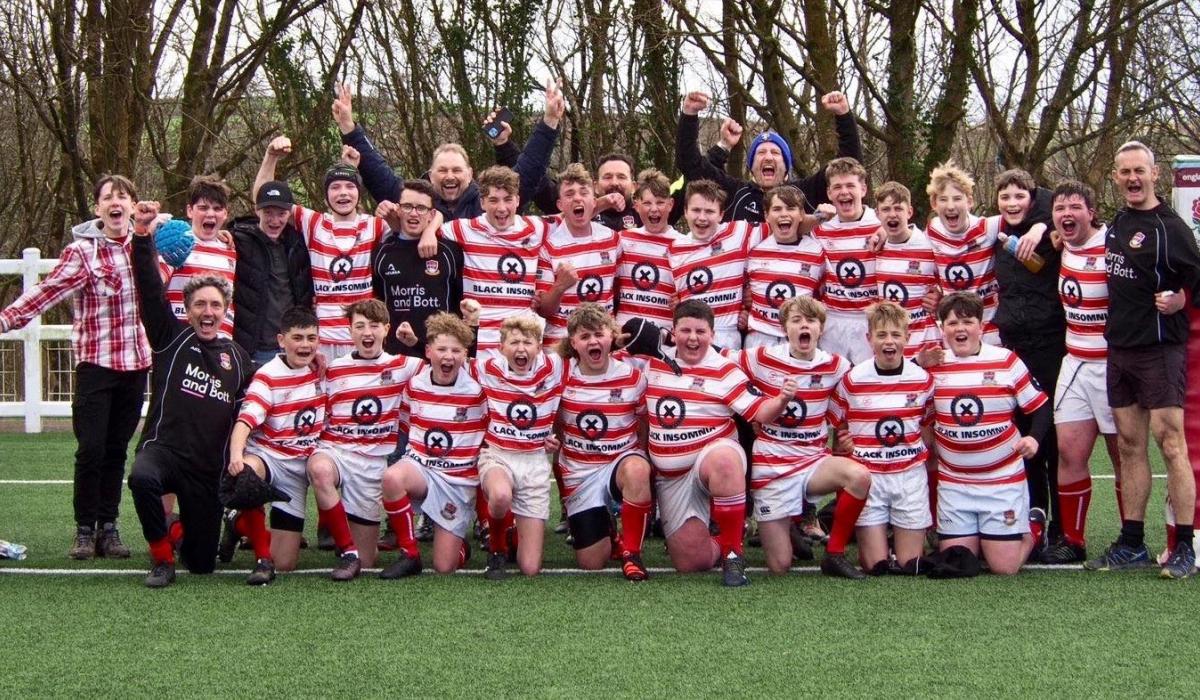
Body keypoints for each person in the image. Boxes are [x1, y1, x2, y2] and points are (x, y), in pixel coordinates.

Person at [0, 175, 151, 560]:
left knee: (118, 449)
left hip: (136, 366)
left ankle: (110, 529)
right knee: (91, 449)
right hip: (95, 365)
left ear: (133, 205)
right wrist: (6, 320)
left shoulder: (148, 247)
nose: (116, 203)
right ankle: (84, 530)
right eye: (107, 198)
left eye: (123, 196)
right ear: (97, 209)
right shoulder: (82, 253)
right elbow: (44, 292)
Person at [125, 201, 256, 587]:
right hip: (164, 452)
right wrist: (142, 236)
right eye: (200, 304)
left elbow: (252, 409)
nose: (208, 311)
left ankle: (180, 533)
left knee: (202, 564)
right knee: (142, 479)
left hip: (206, 468)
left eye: (216, 304)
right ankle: (162, 559)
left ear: (226, 310)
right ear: (187, 307)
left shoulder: (239, 357)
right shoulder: (170, 338)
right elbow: (149, 289)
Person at [1088, 141, 1200, 579]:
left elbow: (1196, 278)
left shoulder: (1171, 227)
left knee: (1170, 444)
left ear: (1156, 174)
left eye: (1140, 171)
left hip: (1159, 349)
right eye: (1125, 172)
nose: (1133, 179)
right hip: (1120, 350)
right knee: (1130, 445)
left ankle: (1186, 547)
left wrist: (1182, 299)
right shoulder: (1117, 222)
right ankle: (1132, 542)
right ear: (1116, 177)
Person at [644, 299, 794, 586]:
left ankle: (733, 556)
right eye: (685, 330)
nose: (692, 338)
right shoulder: (655, 359)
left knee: (725, 459)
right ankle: (724, 533)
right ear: (672, 333)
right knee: (691, 563)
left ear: (712, 335)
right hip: (673, 477)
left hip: (711, 457)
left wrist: (782, 400)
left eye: (700, 332)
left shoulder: (725, 370)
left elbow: (760, 412)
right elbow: (628, 332)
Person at [735, 296, 871, 578]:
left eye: (810, 321)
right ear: (785, 328)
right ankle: (788, 522)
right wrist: (753, 412)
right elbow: (722, 368)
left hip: (812, 460)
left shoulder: (837, 365)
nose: (803, 326)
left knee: (859, 476)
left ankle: (834, 554)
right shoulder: (762, 357)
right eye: (796, 320)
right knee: (780, 566)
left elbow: (869, 385)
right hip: (772, 464)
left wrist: (847, 439)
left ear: (821, 329)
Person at [927, 292, 1049, 575]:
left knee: (1004, 568)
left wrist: (1034, 438)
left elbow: (1041, 406)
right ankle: (989, 533)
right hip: (955, 483)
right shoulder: (932, 365)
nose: (960, 329)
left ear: (981, 326)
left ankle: (1034, 525)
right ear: (941, 327)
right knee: (960, 560)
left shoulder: (1005, 361)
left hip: (1001, 480)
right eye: (952, 322)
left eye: (968, 322)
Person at [306, 300, 424, 581]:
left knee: (368, 560)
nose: (367, 332)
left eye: (374, 326)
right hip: (336, 451)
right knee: (320, 470)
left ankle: (353, 543)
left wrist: (415, 342)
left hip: (371, 463)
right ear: (350, 331)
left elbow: (445, 364)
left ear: (387, 329)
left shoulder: (404, 366)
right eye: (359, 326)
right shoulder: (332, 369)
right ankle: (347, 550)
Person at [335, 83, 563, 219]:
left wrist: (550, 121)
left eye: (456, 170)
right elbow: (377, 172)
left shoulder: (490, 204)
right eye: (442, 170)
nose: (450, 176)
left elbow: (529, 170)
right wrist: (349, 127)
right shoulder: (413, 202)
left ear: (470, 173)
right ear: (430, 174)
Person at [1040, 181, 1121, 564]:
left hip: (1113, 364)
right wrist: (1044, 228)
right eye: (1060, 208)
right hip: (1073, 362)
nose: (1067, 214)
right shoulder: (1062, 245)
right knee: (1070, 451)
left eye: (1075, 207)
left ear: (1092, 212)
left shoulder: (1113, 247)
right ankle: (1073, 540)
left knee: (1123, 455)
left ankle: (1130, 535)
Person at [254, 137, 388, 361]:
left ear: (359, 193)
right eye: (335, 187)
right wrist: (271, 157)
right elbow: (263, 197)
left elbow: (418, 223)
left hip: (362, 338)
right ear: (326, 196)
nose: (343, 193)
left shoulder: (375, 225)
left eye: (349, 187)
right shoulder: (313, 223)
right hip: (321, 340)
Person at [377, 312, 489, 578]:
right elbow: (405, 424)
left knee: (444, 567)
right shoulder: (415, 384)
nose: (448, 356)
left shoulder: (478, 388)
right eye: (441, 349)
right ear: (428, 351)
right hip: (423, 470)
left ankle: (459, 544)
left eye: (455, 350)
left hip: (457, 480)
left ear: (465, 355)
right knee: (392, 477)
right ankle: (410, 554)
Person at [990, 169, 1066, 551]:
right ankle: (1034, 517)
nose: (1012, 203)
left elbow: (1069, 204)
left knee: (1052, 438)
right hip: (1011, 346)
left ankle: (1063, 528)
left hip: (1050, 344)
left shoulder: (1050, 230)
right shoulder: (995, 234)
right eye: (1005, 197)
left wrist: (1042, 225)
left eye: (1020, 196)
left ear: (1033, 198)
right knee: (1026, 438)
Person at [830, 302, 934, 574]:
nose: (889, 341)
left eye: (896, 335)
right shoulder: (852, 379)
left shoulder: (923, 380)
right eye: (882, 335)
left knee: (909, 564)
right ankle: (879, 540)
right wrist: (844, 444)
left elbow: (928, 425)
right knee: (875, 565)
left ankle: (905, 535)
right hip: (870, 478)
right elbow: (836, 422)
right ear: (869, 339)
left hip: (909, 476)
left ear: (907, 338)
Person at [551, 304, 653, 580]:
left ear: (612, 338)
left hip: (618, 463)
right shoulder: (559, 374)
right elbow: (555, 422)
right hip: (580, 473)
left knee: (637, 469)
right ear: (573, 343)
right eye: (584, 337)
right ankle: (608, 528)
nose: (593, 341)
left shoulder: (632, 376)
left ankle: (632, 553)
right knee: (591, 562)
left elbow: (644, 422)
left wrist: (640, 456)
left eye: (599, 334)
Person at [227, 307, 325, 573]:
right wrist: (236, 457)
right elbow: (244, 423)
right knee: (248, 473)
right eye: (298, 338)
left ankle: (237, 524)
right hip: (268, 456)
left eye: (311, 338)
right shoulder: (267, 375)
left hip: (297, 470)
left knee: (287, 563)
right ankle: (262, 560)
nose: (305, 345)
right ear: (281, 340)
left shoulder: (321, 370)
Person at [675, 90, 862, 222]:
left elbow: (849, 165)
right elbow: (690, 165)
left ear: (787, 168)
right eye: (761, 152)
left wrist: (843, 116)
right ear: (752, 168)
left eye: (775, 152)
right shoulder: (734, 193)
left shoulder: (806, 192)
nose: (768, 157)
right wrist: (690, 113)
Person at [473, 315, 566, 579]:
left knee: (530, 567)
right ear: (501, 347)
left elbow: (580, 350)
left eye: (528, 342)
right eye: (514, 342)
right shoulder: (487, 368)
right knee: (500, 495)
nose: (521, 349)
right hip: (497, 456)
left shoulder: (554, 367)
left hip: (536, 462)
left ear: (539, 346)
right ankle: (497, 550)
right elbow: (455, 359)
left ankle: (512, 532)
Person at [431, 166, 551, 357]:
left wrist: (604, 203)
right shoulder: (465, 229)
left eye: (508, 199)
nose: (501, 208)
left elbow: (570, 218)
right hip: (481, 341)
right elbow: (425, 221)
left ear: (518, 200)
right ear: (482, 202)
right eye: (493, 200)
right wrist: (430, 230)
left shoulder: (535, 228)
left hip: (522, 341)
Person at [669, 179, 767, 350]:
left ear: (721, 214)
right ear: (685, 211)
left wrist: (820, 217)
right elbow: (675, 298)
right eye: (696, 210)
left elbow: (787, 228)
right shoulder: (674, 248)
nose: (702, 218)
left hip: (727, 337)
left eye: (709, 211)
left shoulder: (739, 232)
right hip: (689, 336)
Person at [373, 179, 464, 357]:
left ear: (431, 214)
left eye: (421, 208)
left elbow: (458, 303)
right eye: (407, 206)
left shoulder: (450, 252)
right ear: (398, 210)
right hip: (395, 356)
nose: (414, 213)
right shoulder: (381, 253)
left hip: (440, 357)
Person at [534, 164, 621, 347]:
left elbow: (622, 287)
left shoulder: (612, 239)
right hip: (561, 341)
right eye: (569, 194)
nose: (577, 198)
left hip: (602, 339)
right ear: (560, 204)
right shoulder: (549, 246)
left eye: (583, 192)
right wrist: (559, 286)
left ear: (594, 200)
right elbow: (544, 310)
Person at [230, 181, 314, 365]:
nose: (275, 221)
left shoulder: (299, 244)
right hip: (254, 350)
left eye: (281, 214)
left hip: (293, 348)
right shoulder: (238, 240)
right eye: (268, 213)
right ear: (257, 211)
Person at [924, 161, 1004, 345]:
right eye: (943, 199)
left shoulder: (988, 228)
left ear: (969, 201)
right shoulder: (930, 234)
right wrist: (934, 292)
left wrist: (1036, 230)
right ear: (934, 203)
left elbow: (1033, 210)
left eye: (957, 198)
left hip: (990, 327)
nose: (951, 206)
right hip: (953, 329)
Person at [812, 157, 881, 363]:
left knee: (866, 384)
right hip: (833, 320)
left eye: (850, 185)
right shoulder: (820, 230)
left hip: (869, 320)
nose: (844, 192)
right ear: (829, 193)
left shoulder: (880, 226)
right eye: (837, 187)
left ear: (863, 189)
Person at [743, 185, 825, 349]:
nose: (784, 214)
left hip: (799, 339)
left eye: (791, 208)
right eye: (777, 209)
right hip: (759, 339)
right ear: (766, 215)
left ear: (801, 215)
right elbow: (741, 290)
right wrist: (742, 311)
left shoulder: (817, 252)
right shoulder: (754, 251)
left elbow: (825, 294)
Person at [161, 175, 237, 339]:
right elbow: (153, 283)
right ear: (190, 210)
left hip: (220, 345)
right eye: (203, 208)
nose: (210, 214)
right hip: (181, 340)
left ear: (225, 214)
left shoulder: (232, 250)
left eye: (217, 209)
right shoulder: (177, 244)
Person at [873, 181, 940, 359]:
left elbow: (948, 282)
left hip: (926, 340)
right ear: (877, 214)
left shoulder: (930, 245)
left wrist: (939, 295)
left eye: (898, 208)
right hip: (891, 342)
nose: (892, 214)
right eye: (886, 209)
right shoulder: (874, 247)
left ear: (909, 211)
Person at [615, 169, 683, 329]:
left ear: (671, 204)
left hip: (664, 334)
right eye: (647, 203)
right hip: (625, 332)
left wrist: (684, 300)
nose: (654, 209)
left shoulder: (683, 243)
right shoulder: (622, 239)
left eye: (660, 202)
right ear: (636, 205)